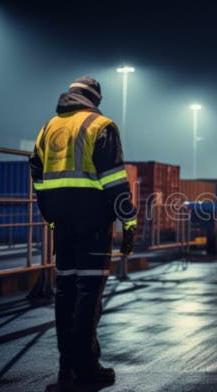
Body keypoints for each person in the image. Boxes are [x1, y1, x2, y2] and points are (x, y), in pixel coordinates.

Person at [29, 76, 137, 389]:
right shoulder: (100, 126)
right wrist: (128, 222)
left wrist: (49, 216)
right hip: (93, 224)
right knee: (89, 293)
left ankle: (67, 366)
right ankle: (87, 368)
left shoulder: (48, 127)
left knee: (65, 292)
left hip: (61, 225)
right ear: (95, 100)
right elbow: (114, 181)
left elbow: (36, 172)